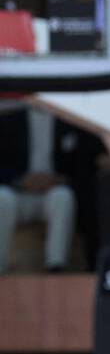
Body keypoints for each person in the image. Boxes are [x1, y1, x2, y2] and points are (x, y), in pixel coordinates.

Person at [0, 105, 77, 273]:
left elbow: (79, 165)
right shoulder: (10, 121)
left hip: (52, 192)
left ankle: (56, 265)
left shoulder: (68, 120)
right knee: (2, 198)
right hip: (18, 193)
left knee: (64, 196)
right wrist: (19, 180)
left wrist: (59, 179)